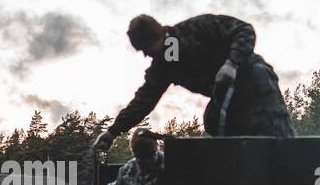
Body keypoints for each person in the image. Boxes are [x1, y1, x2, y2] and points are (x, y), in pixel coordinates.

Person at [93, 13, 295, 152]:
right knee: (213, 121)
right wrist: (112, 131)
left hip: (254, 81)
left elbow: (244, 30)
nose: (146, 55)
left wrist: (232, 63)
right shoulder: (164, 66)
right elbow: (144, 101)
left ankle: (297, 172)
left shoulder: (197, 28)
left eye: (147, 48)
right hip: (226, 97)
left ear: (159, 36)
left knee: (276, 134)